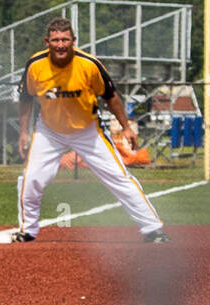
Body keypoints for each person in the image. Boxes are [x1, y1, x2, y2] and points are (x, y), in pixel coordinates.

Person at [13, 16, 168, 243]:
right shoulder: (35, 66)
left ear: (73, 40)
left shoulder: (89, 65)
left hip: (88, 129)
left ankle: (152, 229)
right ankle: (27, 230)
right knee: (32, 177)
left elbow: (111, 96)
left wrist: (126, 127)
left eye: (65, 39)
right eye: (55, 40)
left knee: (118, 176)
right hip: (49, 130)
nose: (60, 45)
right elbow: (25, 98)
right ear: (47, 41)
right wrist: (24, 132)